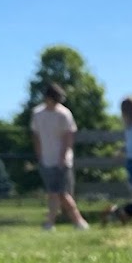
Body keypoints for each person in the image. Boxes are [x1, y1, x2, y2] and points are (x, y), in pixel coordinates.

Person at [31, 82, 89, 230]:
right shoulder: (38, 114)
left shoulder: (64, 114)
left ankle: (77, 221)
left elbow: (68, 136)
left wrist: (63, 157)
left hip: (62, 160)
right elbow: (36, 135)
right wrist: (40, 155)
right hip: (46, 159)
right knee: (52, 193)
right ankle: (51, 223)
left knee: (62, 193)